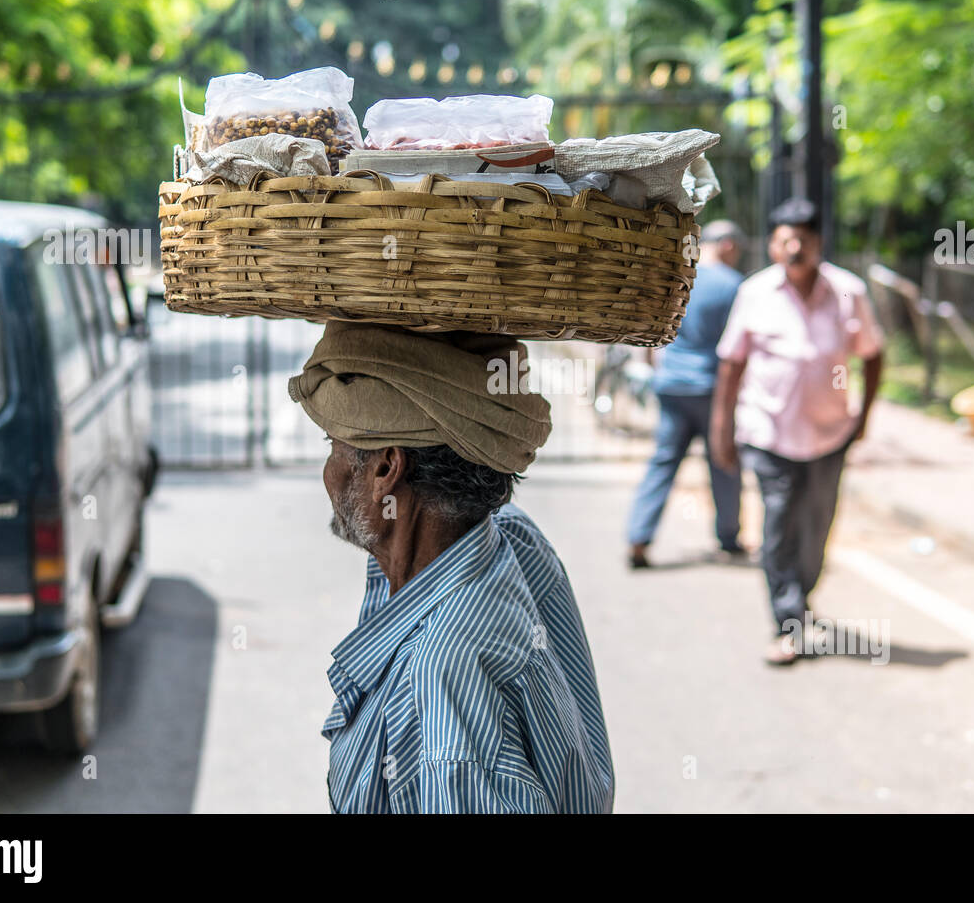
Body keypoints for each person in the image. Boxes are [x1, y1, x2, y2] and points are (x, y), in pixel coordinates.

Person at [288, 320, 614, 813]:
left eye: (333, 447)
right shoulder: (511, 536)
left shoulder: (438, 684)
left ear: (385, 470)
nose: (328, 472)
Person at [709, 198, 884, 665]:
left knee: (817, 524)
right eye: (786, 239)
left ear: (818, 243)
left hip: (829, 435)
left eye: (803, 239)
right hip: (768, 434)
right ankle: (786, 621)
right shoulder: (755, 293)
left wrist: (863, 415)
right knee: (779, 522)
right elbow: (731, 365)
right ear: (771, 245)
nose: (795, 247)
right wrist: (721, 429)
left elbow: (873, 353)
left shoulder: (849, 292)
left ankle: (801, 595)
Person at [625, 220, 748, 569]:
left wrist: (652, 368)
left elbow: (651, 332)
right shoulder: (734, 286)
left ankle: (638, 537)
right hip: (711, 389)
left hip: (672, 385)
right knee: (724, 462)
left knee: (662, 463)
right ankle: (728, 537)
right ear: (726, 246)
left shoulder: (676, 277)